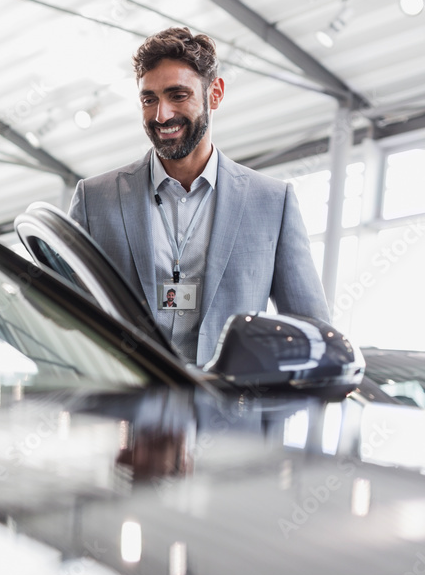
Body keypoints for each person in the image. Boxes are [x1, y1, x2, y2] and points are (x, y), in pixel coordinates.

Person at [68, 27, 328, 365]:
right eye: (149, 99)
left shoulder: (272, 203)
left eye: (178, 95)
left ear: (215, 94)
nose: (161, 115)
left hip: (231, 411)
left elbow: (311, 331)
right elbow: (56, 315)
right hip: (123, 410)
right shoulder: (95, 199)